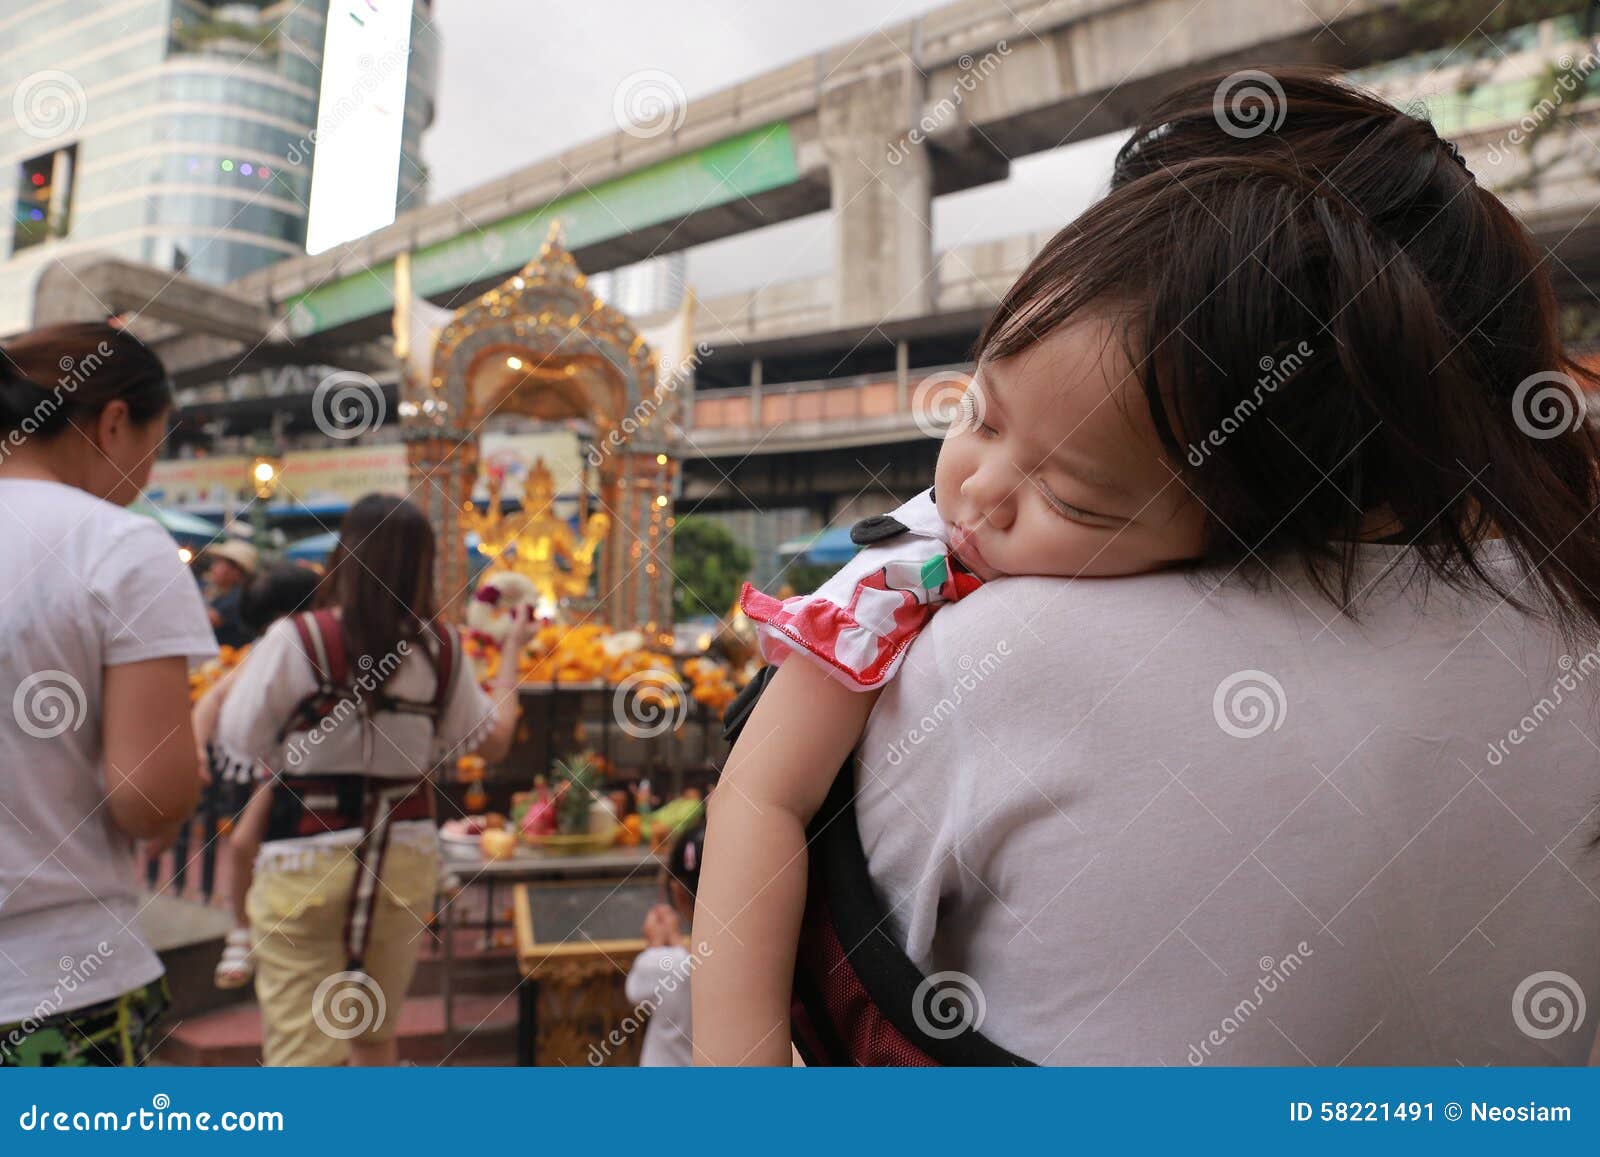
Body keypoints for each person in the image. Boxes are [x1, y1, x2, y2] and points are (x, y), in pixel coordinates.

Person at [693, 69, 1600, 1065]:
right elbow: (757, 796)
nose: (980, 494)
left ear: (1251, 528)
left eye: (1074, 500)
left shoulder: (1035, 639)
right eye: (978, 414)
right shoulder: (905, 565)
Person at [214, 494, 532, 1065]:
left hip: (305, 859)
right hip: (402, 862)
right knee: (375, 1035)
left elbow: (239, 734)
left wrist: (302, 751)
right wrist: (511, 654)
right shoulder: (442, 650)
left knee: (299, 1048)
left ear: (345, 554)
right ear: (423, 565)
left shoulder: (298, 640)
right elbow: (495, 739)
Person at [0, 321, 216, 1066]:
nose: (145, 479)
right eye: (153, 449)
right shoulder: (119, 546)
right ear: (114, 422)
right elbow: (148, 799)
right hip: (55, 990)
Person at [190, 562, 321, 989]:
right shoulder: (269, 648)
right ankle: (240, 929)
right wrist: (197, 752)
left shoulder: (330, 642)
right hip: (282, 771)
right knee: (245, 843)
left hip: (329, 773)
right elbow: (211, 701)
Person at [623, 820, 704, 1067]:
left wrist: (657, 946)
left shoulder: (661, 965)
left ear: (678, 892)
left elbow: (636, 991)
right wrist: (677, 943)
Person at [202, 540, 260, 648]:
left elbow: (203, 622)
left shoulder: (237, 598)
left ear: (236, 571)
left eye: (219, 563)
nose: (213, 568)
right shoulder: (226, 594)